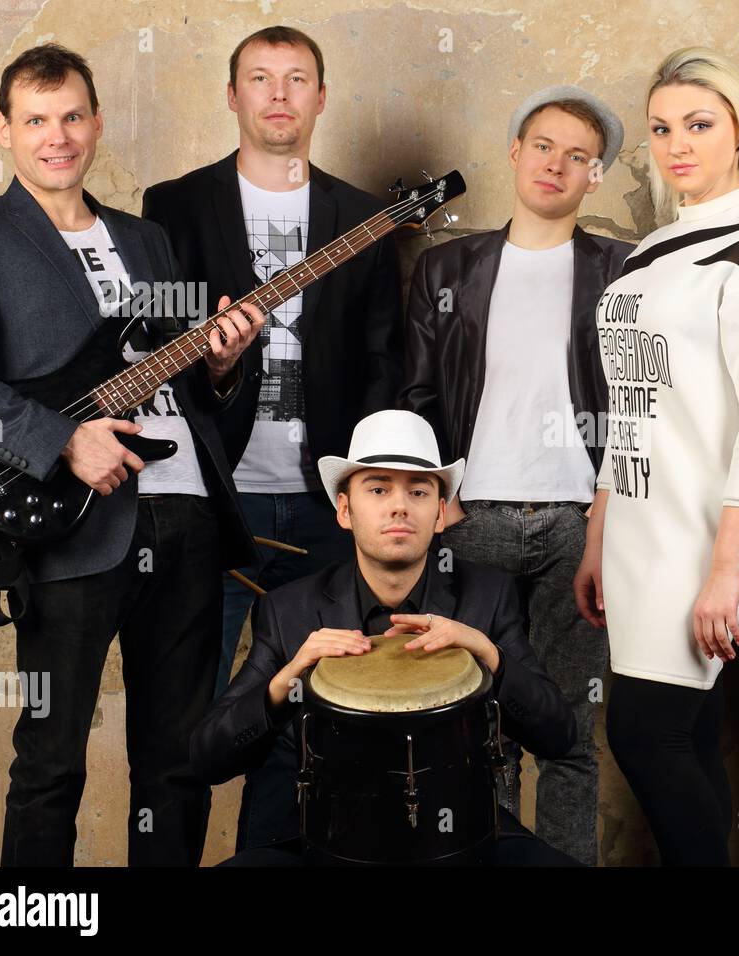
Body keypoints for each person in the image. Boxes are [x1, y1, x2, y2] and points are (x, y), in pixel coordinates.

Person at [0, 44, 263, 865]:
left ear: (95, 122)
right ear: (6, 131)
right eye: (38, 120)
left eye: (73, 116)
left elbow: (172, 380)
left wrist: (222, 364)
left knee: (178, 761)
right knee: (52, 762)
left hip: (185, 516)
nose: (58, 137)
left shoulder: (148, 241)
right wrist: (62, 440)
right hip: (72, 525)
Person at [574, 47, 739, 865]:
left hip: (705, 533)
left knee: (646, 734)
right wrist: (600, 530)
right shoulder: (650, 252)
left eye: (700, 125)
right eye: (662, 129)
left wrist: (727, 569)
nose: (678, 146)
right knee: (693, 732)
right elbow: (629, 410)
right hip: (639, 525)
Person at [399, 86, 630, 865]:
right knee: (479, 729)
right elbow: (419, 397)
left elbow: (639, 408)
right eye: (543, 146)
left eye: (577, 156)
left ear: (595, 177)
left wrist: (604, 520)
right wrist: (446, 504)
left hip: (578, 524)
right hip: (477, 519)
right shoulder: (447, 267)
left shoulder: (622, 271)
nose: (555, 165)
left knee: (567, 731)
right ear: (514, 151)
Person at [142, 26, 404, 704]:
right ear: (232, 95)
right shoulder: (172, 208)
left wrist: (365, 489)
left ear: (321, 98)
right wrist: (220, 368)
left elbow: (383, 362)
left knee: (323, 714)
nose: (279, 93)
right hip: (213, 501)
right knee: (189, 711)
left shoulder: (366, 217)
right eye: (260, 77)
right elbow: (153, 355)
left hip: (328, 506)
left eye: (296, 79)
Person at [191, 410, 579, 866]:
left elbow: (558, 736)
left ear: (439, 514)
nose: (399, 506)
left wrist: (490, 655)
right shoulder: (289, 609)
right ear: (344, 509)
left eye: (418, 491)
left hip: (458, 838)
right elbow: (207, 757)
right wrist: (285, 681)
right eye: (378, 489)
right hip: (326, 837)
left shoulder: (486, 597)